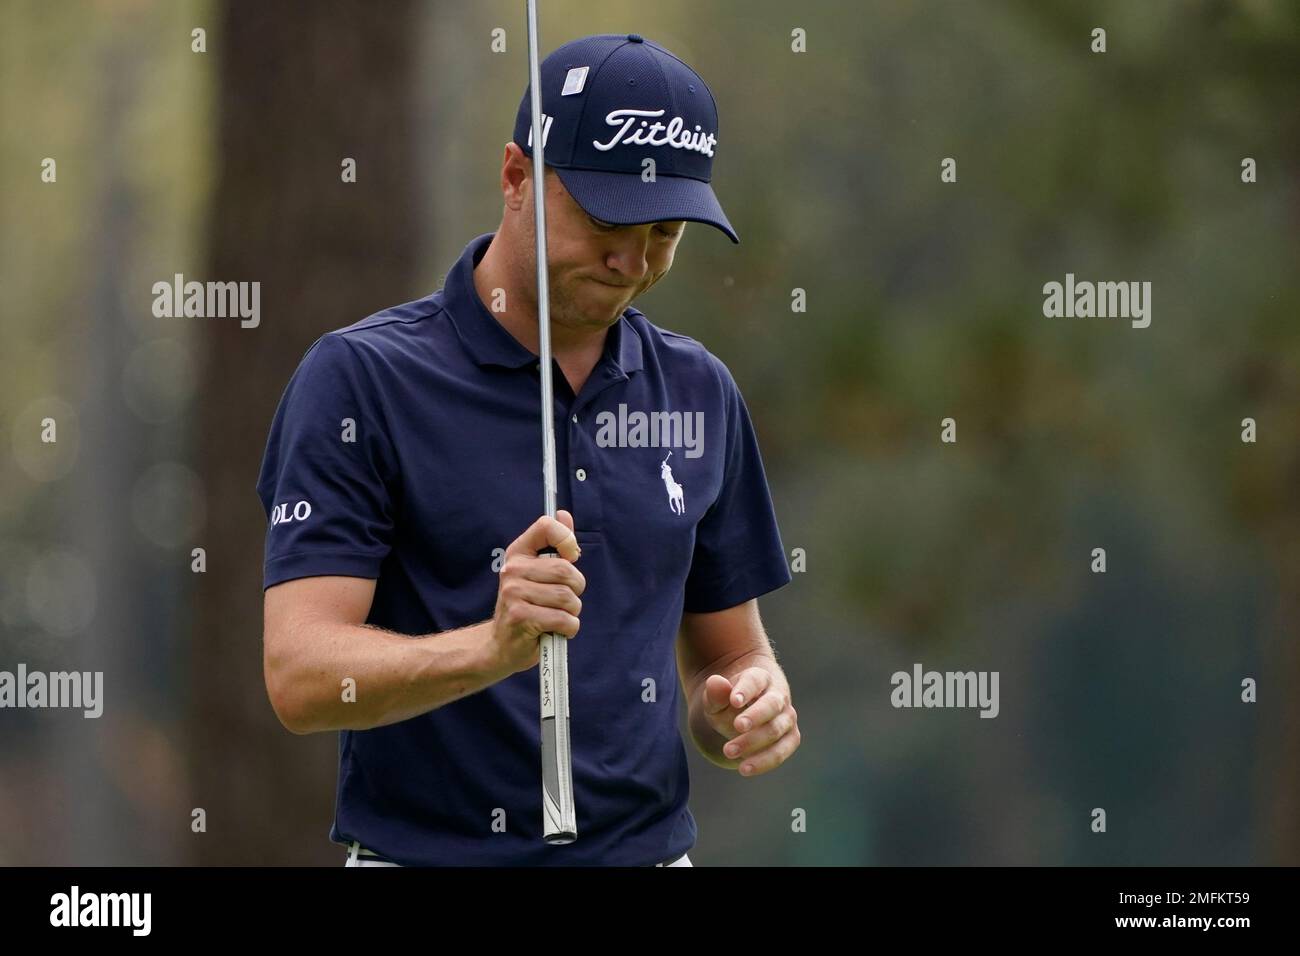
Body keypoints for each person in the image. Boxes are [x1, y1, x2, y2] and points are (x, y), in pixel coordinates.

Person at [257, 33, 800, 867]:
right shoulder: (362, 380)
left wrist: (742, 705)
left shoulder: (699, 392)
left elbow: (727, 652)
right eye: (606, 217)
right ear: (515, 176)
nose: (631, 261)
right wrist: (492, 646)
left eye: (664, 232)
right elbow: (299, 676)